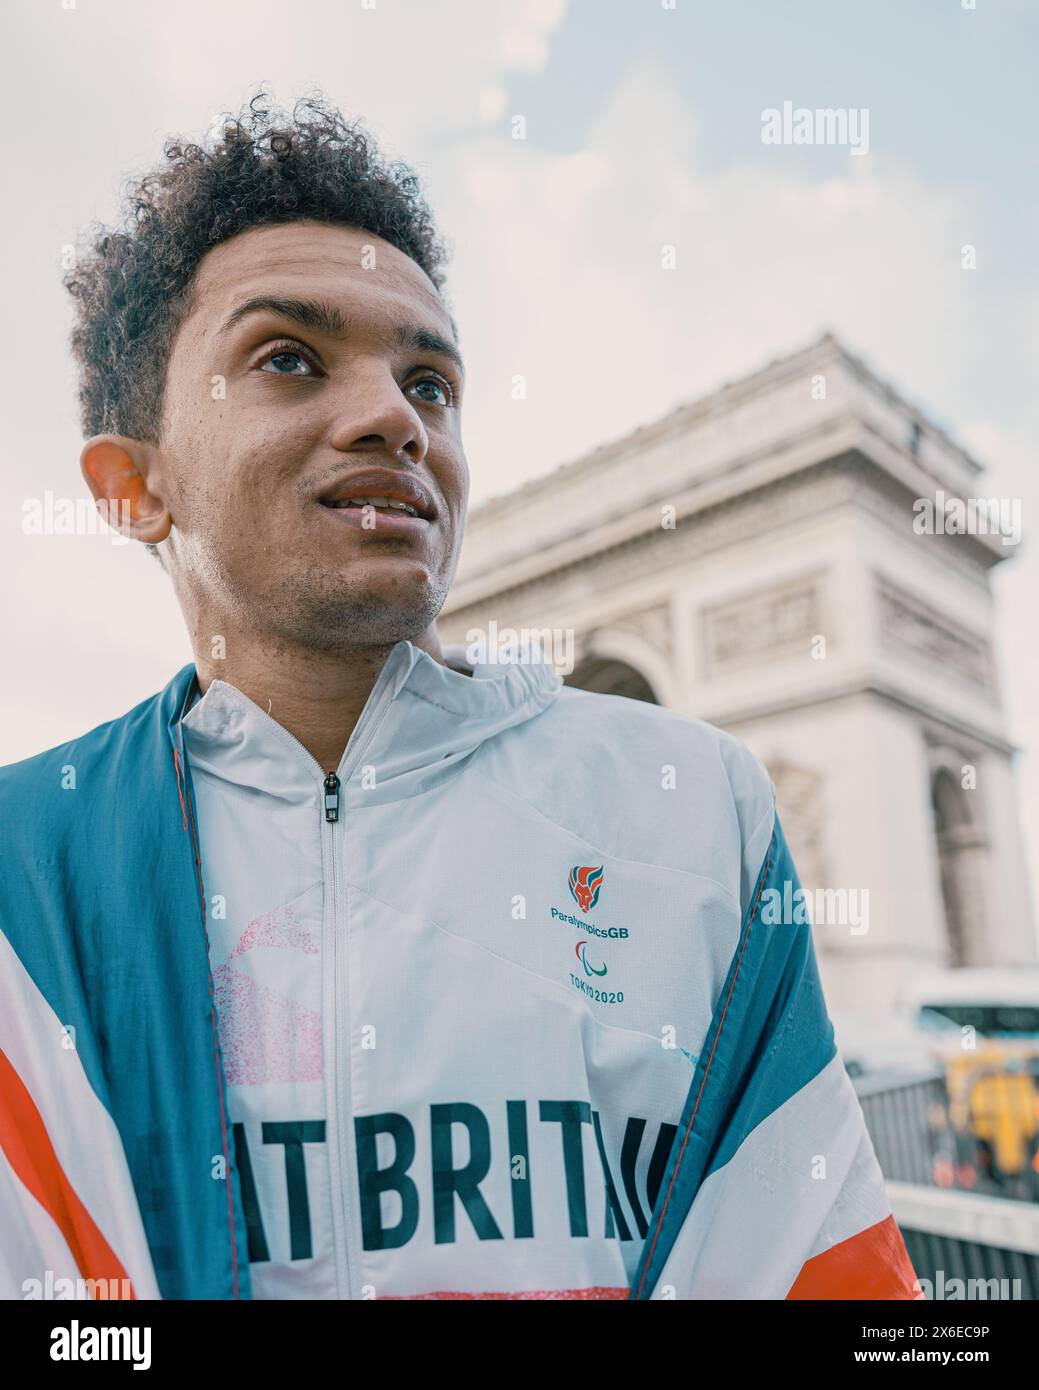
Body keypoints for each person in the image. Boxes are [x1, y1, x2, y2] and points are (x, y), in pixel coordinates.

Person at [0, 92, 919, 1302]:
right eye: (288, 358)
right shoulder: (25, 865)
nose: (394, 416)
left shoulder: (701, 811)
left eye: (430, 381)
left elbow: (823, 1278)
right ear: (134, 485)